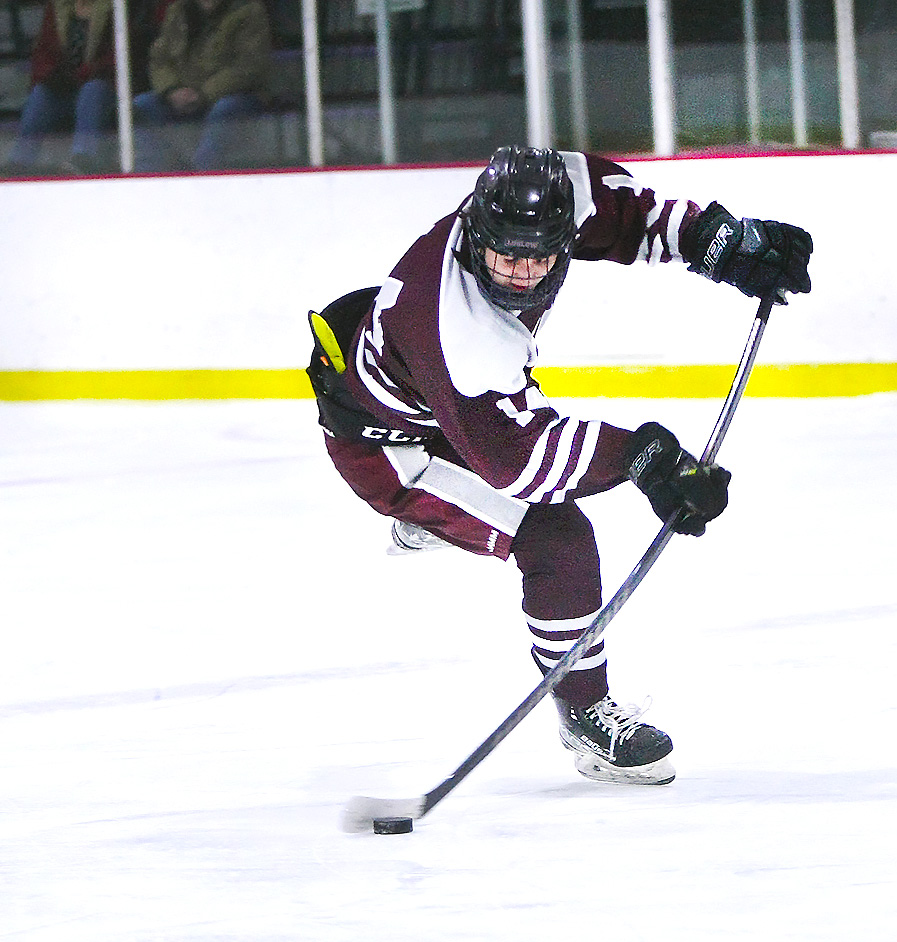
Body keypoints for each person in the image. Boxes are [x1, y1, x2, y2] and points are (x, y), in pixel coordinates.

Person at [306, 146, 812, 786]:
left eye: (540, 258)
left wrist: (721, 242)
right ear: (477, 235)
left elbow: (627, 213)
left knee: (528, 496)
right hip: (394, 449)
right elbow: (521, 461)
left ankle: (444, 523)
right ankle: (584, 715)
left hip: (445, 405)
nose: (521, 275)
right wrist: (644, 459)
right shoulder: (457, 328)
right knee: (556, 538)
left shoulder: (555, 196)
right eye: (506, 258)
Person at [132, 0, 272, 172]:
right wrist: (172, 89)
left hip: (235, 96)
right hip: (181, 95)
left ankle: (202, 174)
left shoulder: (249, 10)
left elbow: (249, 66)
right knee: (143, 105)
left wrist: (204, 94)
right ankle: (156, 174)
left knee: (225, 109)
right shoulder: (178, 10)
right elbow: (159, 59)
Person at [3, 0, 118, 175]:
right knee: (41, 94)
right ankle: (19, 162)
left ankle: (83, 158)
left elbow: (116, 57)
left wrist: (82, 74)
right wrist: (52, 75)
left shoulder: (116, 8)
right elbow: (43, 52)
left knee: (92, 90)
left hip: (103, 88)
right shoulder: (58, 7)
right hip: (66, 87)